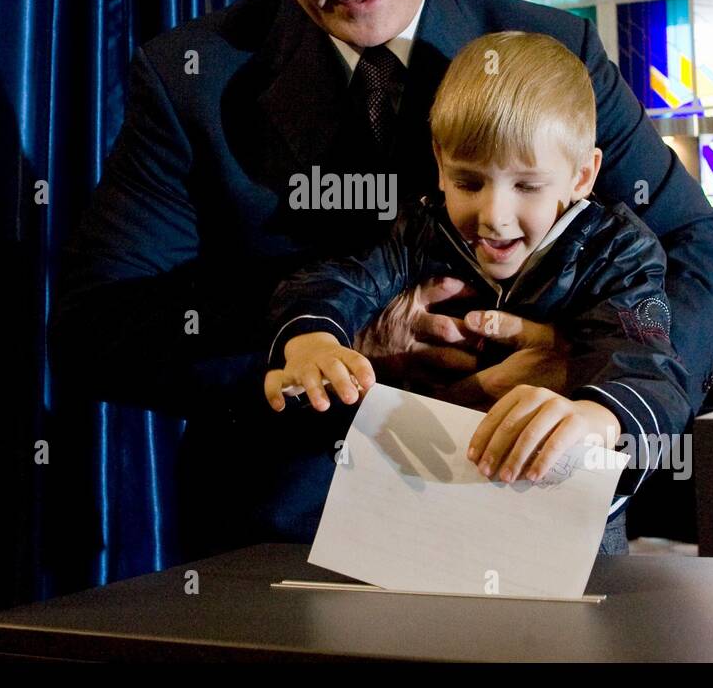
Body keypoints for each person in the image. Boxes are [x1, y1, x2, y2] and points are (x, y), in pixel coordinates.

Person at [49, 0, 713, 561]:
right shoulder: (189, 77)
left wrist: (607, 386)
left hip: (539, 526)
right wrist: (326, 339)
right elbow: (99, 326)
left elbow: (708, 254)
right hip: (285, 540)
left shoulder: (555, 52)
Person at [263, 32, 690, 534]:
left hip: (565, 512)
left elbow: (646, 359)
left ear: (581, 176)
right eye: (469, 183)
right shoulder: (418, 230)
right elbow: (342, 279)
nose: (494, 216)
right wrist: (312, 341)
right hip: (429, 497)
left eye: (527, 186)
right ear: (440, 165)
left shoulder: (618, 251)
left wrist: (596, 417)